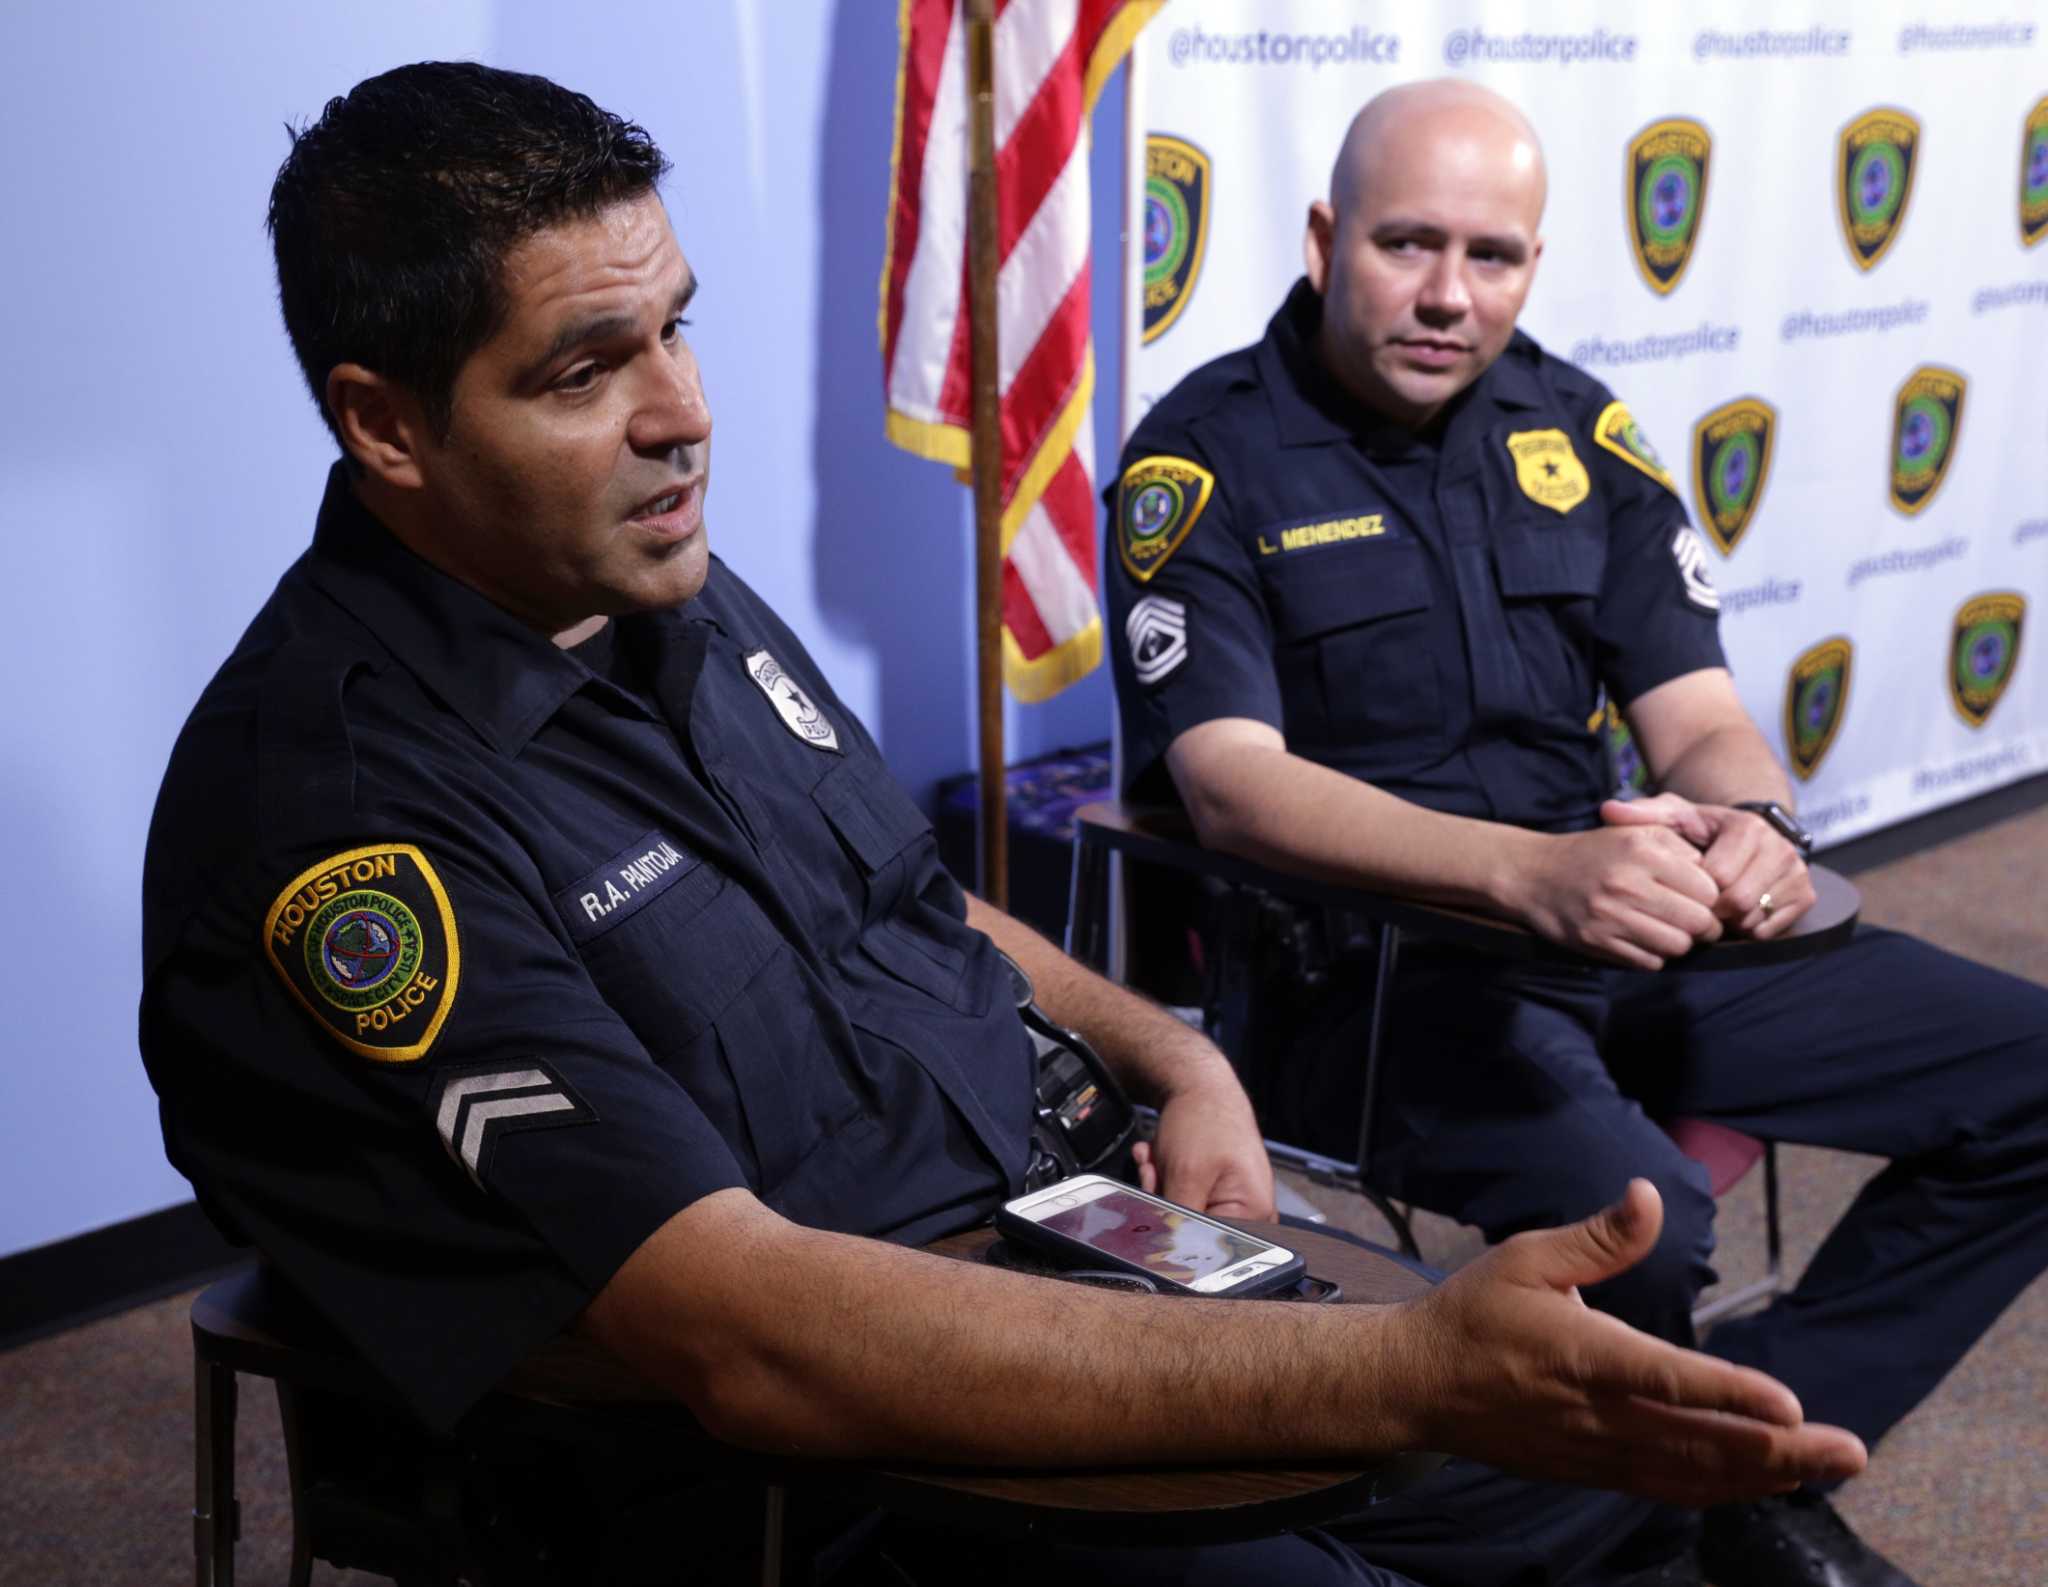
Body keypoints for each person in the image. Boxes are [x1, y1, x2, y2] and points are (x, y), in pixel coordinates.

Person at [140, 64, 1865, 1587]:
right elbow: (751, 1338)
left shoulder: (671, 594)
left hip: (1071, 1240)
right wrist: (1398, 1368)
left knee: (1609, 1501)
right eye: (589, 368)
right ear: (386, 424)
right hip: (844, 1452)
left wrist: (1181, 1062)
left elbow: (923, 913)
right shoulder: (343, 828)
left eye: (677, 325)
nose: (684, 413)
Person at [1104, 78, 2048, 1587]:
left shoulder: (1578, 429)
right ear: (1321, 236)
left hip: (1630, 921)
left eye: (1493, 256)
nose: (1447, 296)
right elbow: (1230, 782)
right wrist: (1528, 874)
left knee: (2033, 1074)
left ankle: (1733, 1462)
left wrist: (1751, 825)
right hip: (1386, 977)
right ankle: (1651, 1524)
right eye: (1407, 246)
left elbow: (1702, 720)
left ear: (1534, 264)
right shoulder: (1204, 458)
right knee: (1647, 1226)